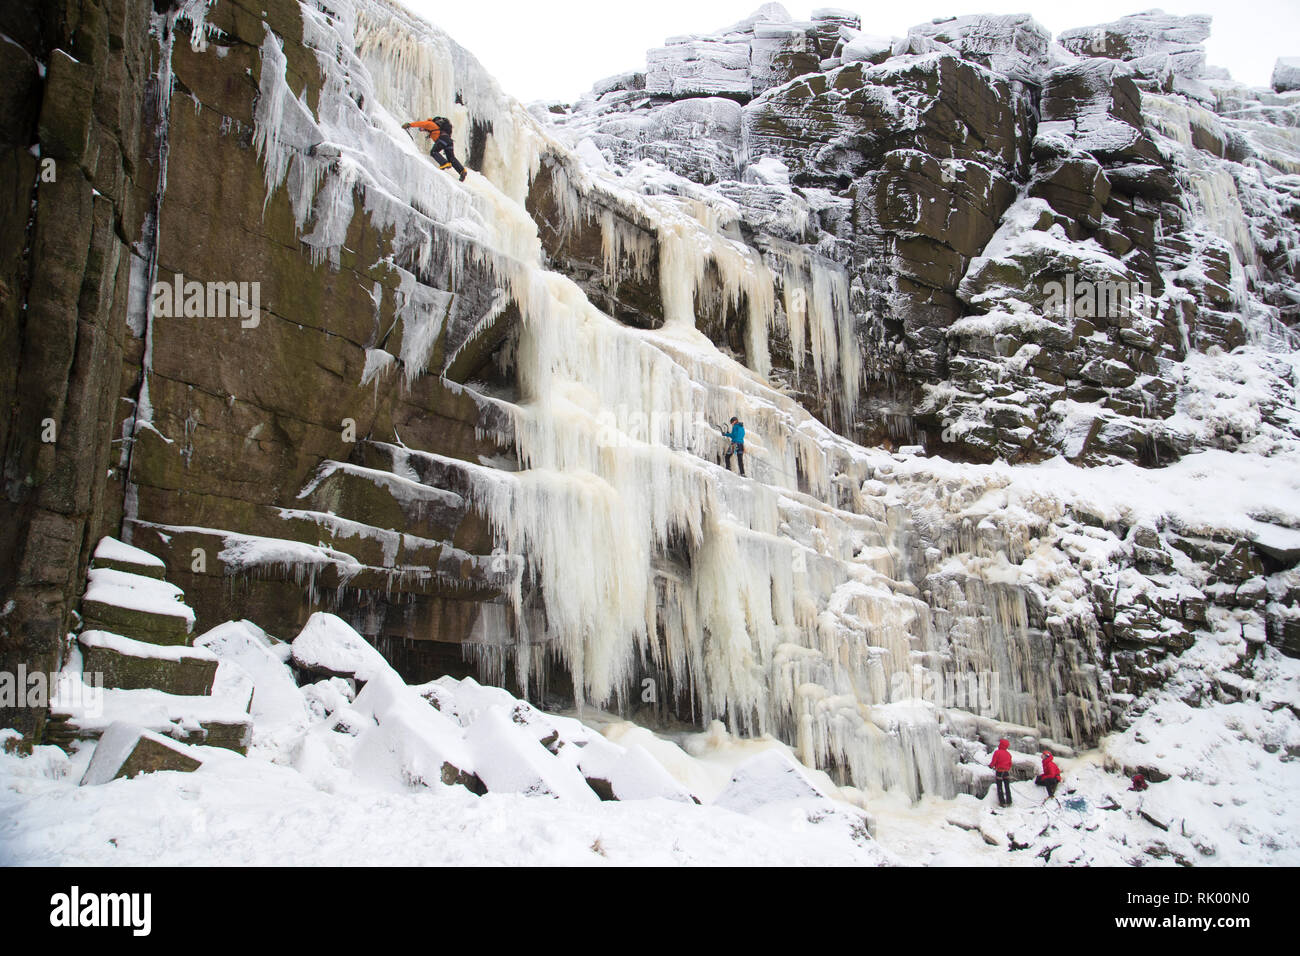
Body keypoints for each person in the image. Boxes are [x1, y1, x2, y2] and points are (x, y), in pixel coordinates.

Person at [402, 116, 467, 181]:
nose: (421, 128)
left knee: (433, 152)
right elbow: (424, 128)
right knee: (451, 158)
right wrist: (423, 129)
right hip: (449, 141)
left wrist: (410, 125)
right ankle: (462, 171)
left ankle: (444, 163)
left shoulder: (430, 124)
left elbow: (421, 124)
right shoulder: (437, 128)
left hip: (443, 139)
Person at [989, 738, 1013, 807]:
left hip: (999, 771)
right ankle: (1009, 801)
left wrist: (991, 766)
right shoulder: (1008, 754)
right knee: (1007, 786)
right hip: (1006, 772)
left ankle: (1002, 802)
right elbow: (1010, 764)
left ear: (1001, 745)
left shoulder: (997, 752)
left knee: (999, 786)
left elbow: (994, 761)